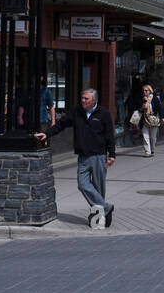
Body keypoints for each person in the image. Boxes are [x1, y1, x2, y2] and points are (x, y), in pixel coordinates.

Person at [35, 88, 117, 228]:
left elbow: (109, 135)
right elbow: (61, 124)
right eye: (82, 98)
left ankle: (99, 221)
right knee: (82, 184)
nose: (83, 101)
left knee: (98, 189)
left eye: (86, 99)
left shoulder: (103, 114)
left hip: (99, 156)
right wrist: (47, 134)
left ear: (94, 100)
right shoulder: (77, 112)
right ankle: (106, 207)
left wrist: (112, 154)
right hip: (83, 157)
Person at [136, 83, 163, 156]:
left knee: (153, 138)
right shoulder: (142, 99)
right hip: (144, 119)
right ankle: (147, 151)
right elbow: (138, 109)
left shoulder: (155, 99)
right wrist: (142, 107)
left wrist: (162, 117)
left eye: (146, 91)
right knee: (145, 136)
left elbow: (160, 108)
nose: (144, 92)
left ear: (150, 91)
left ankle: (152, 150)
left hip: (153, 119)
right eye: (143, 91)